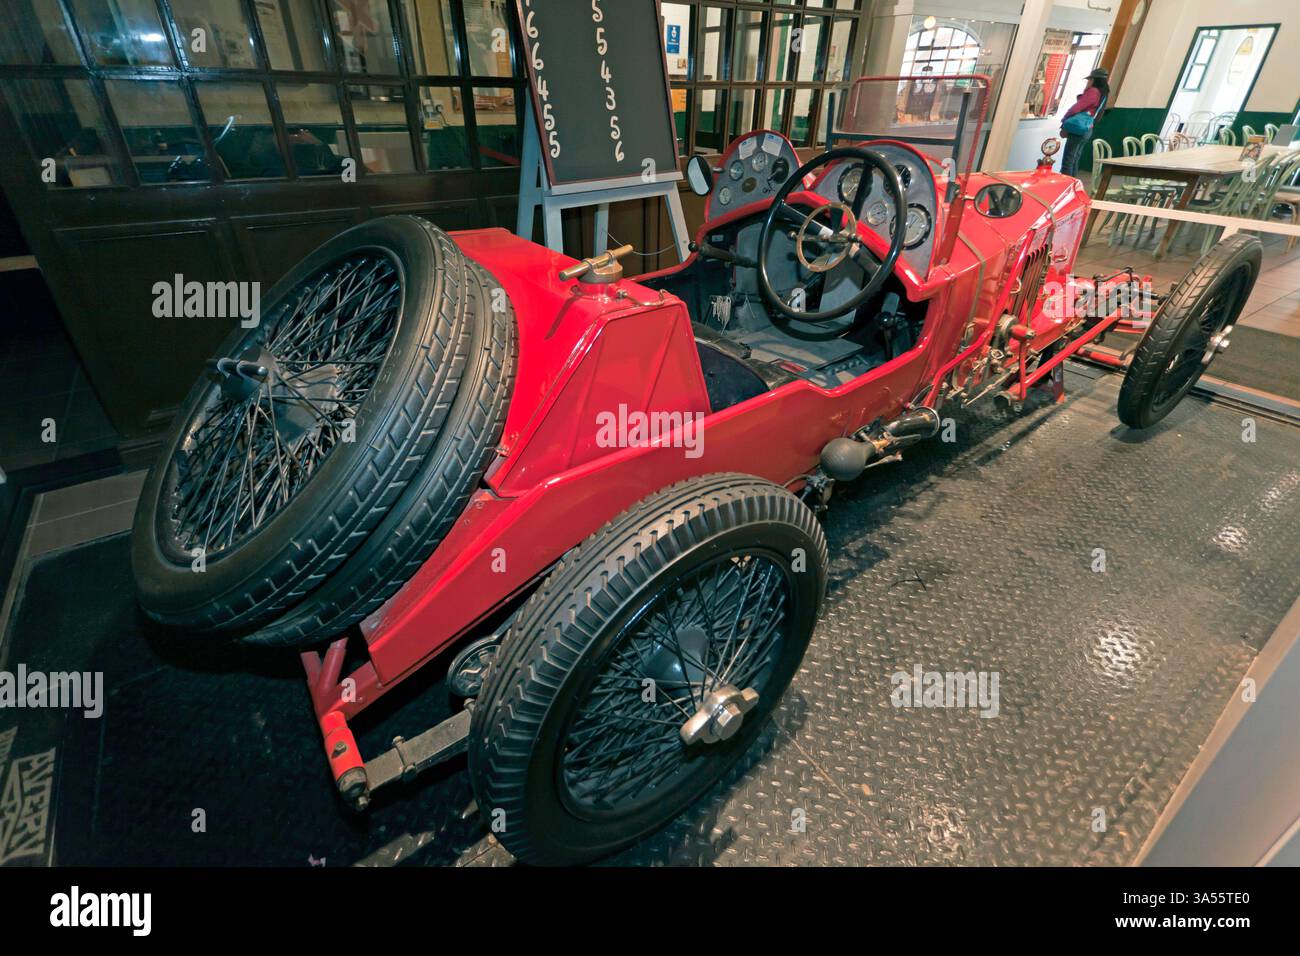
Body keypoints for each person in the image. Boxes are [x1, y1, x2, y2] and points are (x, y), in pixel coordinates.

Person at [1059, 67, 1110, 178]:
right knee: (1074, 159)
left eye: (1089, 80)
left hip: (1078, 129)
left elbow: (1075, 109)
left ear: (1094, 80)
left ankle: (1065, 187)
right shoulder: (1103, 94)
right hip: (1087, 128)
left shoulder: (1093, 92)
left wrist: (1063, 123)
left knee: (1068, 161)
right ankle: (1073, 186)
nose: (1088, 82)